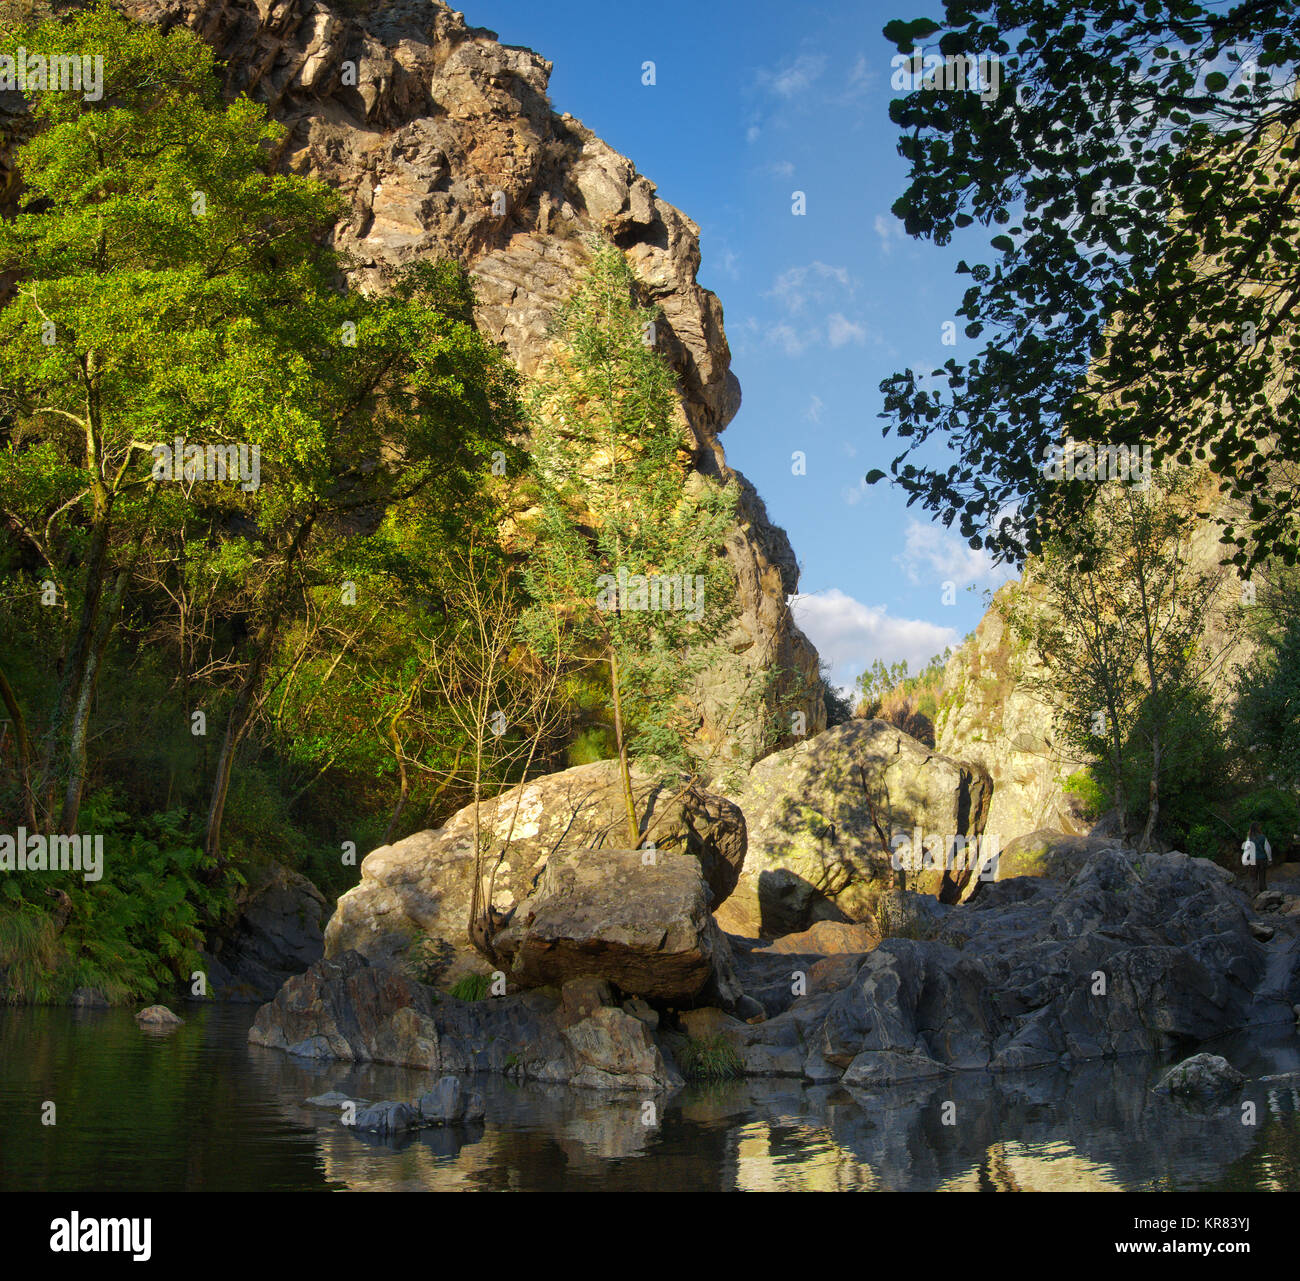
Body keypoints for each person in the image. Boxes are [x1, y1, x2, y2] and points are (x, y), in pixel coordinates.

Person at [1247, 821, 1273, 894]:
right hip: (1262, 859)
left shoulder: (1249, 838)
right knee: (1262, 876)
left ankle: (1254, 892)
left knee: (1253, 877)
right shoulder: (1263, 837)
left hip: (1252, 860)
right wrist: (1270, 859)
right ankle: (1263, 892)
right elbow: (1267, 849)